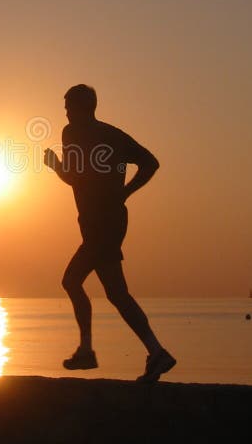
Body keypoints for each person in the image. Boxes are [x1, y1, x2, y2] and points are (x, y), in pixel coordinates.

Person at [43, 84, 176, 382]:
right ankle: (156, 353)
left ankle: (88, 352)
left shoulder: (74, 134)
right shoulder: (111, 135)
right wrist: (124, 193)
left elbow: (75, 177)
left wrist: (55, 166)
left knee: (72, 280)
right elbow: (148, 164)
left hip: (102, 224)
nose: (64, 111)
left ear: (81, 108)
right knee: (117, 293)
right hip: (106, 222)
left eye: (68, 106)